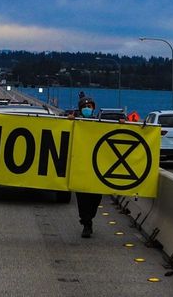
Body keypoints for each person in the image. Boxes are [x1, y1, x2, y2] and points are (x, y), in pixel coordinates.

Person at [70, 97, 104, 238]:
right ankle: (86, 223)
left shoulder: (102, 123)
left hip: (96, 167)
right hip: (80, 166)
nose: (87, 108)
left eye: (89, 106)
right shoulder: (75, 122)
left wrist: (121, 125)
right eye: (85, 106)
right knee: (82, 198)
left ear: (93, 108)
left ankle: (89, 217)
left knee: (96, 198)